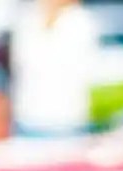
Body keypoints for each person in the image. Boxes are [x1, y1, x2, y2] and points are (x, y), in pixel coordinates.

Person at [9, 0, 100, 136]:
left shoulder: (80, 21)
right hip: (27, 119)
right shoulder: (27, 18)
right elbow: (19, 65)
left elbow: (82, 71)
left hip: (68, 122)